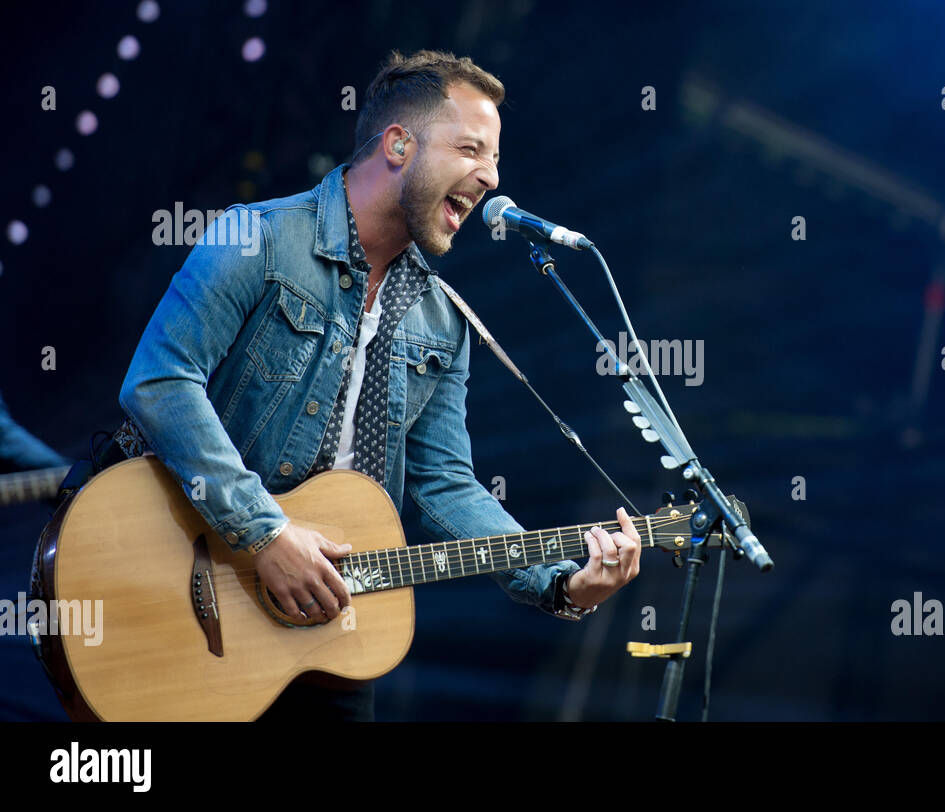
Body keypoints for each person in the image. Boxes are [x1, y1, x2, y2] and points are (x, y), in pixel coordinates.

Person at [114, 50, 641, 720]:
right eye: (471, 149)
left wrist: (562, 583)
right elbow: (160, 382)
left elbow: (446, 483)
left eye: (496, 159)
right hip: (185, 594)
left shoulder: (443, 321)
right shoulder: (260, 239)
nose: (490, 177)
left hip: (329, 637)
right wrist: (265, 535)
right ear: (398, 143)